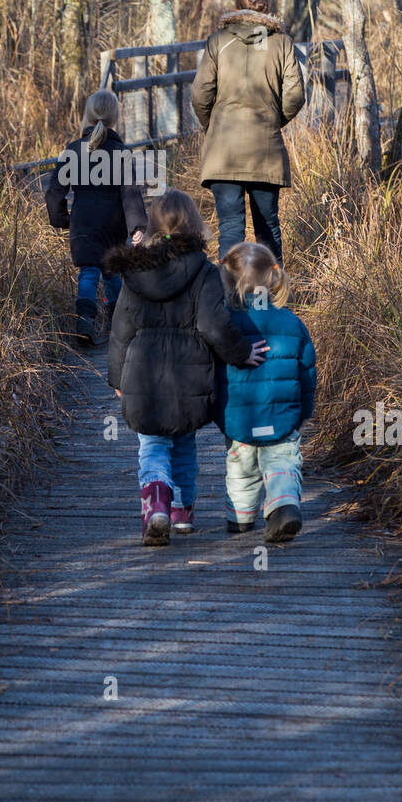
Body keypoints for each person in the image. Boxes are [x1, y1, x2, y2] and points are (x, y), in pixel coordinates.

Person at [105, 189, 267, 545]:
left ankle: (156, 504)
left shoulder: (133, 274)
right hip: (189, 378)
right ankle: (180, 513)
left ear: (152, 226)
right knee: (183, 445)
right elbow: (214, 326)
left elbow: (121, 330)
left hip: (142, 376)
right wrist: (241, 354)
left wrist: (116, 377)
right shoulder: (205, 272)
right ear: (193, 224)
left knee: (152, 446)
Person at [190, 0, 305, 263]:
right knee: (268, 230)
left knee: (230, 230)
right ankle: (272, 298)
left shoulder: (218, 40)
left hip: (223, 150)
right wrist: (271, 121)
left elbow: (199, 93)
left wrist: (213, 127)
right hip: (264, 149)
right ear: (266, 4)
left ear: (236, 6)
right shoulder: (281, 43)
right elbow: (296, 95)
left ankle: (230, 301)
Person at [215, 242, 316, 544]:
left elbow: (215, 375)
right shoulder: (293, 323)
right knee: (283, 462)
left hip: (239, 418)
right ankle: (284, 505)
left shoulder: (225, 326)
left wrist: (217, 412)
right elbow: (307, 373)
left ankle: (241, 518)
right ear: (273, 277)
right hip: (283, 416)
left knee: (241, 468)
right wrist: (303, 412)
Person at [45, 90, 146, 342]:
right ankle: (117, 323)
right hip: (113, 226)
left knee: (89, 273)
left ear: (88, 115)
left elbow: (54, 192)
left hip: (83, 225)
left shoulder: (73, 150)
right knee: (112, 273)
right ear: (115, 117)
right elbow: (130, 194)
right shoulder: (121, 152)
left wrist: (61, 220)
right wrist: (136, 226)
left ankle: (85, 321)